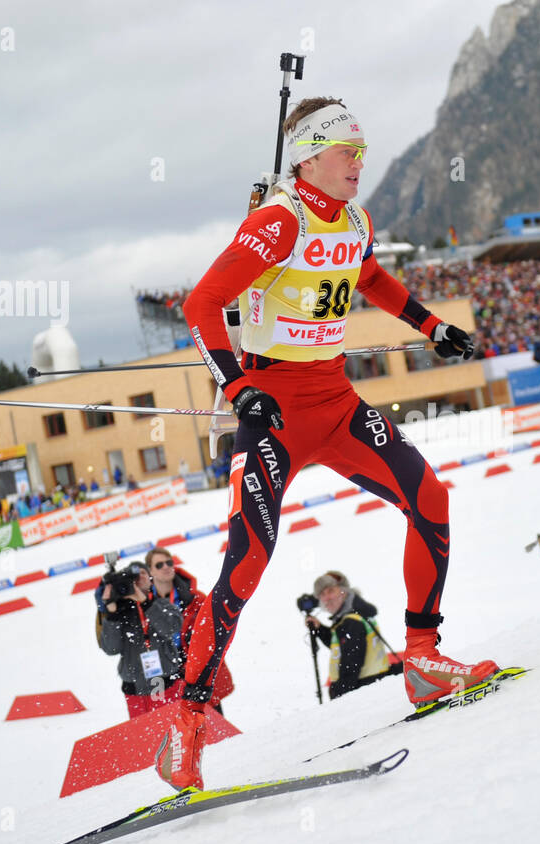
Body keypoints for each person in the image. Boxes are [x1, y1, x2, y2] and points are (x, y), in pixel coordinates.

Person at [157, 94, 499, 791]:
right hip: (273, 417)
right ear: (309, 156)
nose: (360, 164)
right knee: (247, 566)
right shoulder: (279, 220)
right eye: (349, 151)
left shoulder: (355, 221)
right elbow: (202, 305)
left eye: (365, 152)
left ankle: (425, 659)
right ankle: (184, 730)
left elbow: (366, 274)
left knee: (429, 497)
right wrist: (234, 386)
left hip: (336, 404)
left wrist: (429, 326)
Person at [144, 547, 233, 715]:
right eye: (159, 565)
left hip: (196, 665)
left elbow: (216, 631)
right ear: (150, 571)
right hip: (165, 671)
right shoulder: (145, 602)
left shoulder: (195, 598)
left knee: (213, 720)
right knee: (176, 725)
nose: (166, 567)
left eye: (169, 562)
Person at [96, 561, 186, 719]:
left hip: (164, 681)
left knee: (172, 731)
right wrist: (111, 613)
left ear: (151, 579)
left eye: (142, 574)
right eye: (134, 577)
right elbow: (111, 649)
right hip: (134, 687)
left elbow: (171, 628)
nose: (138, 578)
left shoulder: (163, 604)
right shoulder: (120, 613)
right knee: (145, 738)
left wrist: (145, 603)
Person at [301, 571, 403, 700]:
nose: (327, 598)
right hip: (373, 686)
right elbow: (341, 647)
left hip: (365, 693)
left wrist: (338, 695)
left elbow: (351, 666)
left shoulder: (352, 622)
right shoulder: (355, 615)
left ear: (343, 591)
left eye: (331, 591)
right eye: (322, 594)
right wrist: (320, 629)